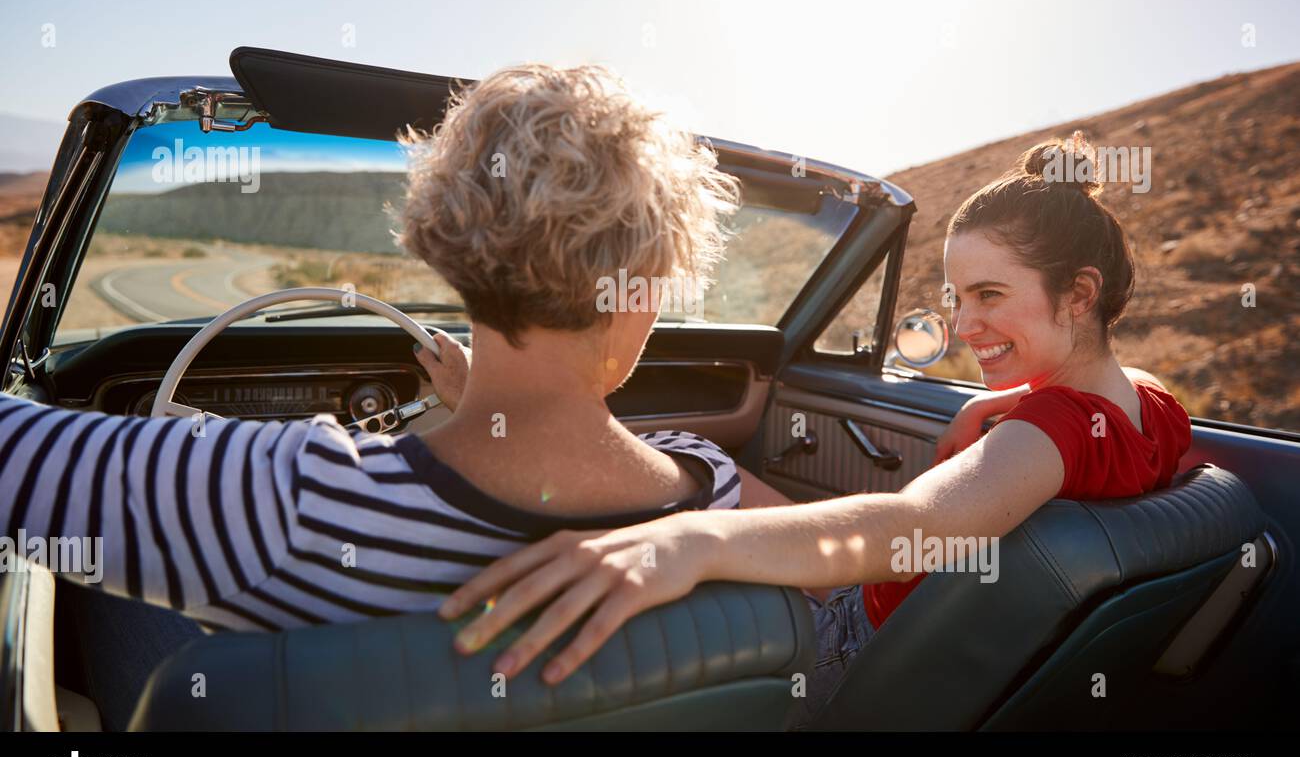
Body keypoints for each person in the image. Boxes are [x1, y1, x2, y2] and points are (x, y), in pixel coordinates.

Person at [0, 63, 745, 722]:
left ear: (451, 253)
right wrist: (699, 537)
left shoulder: (283, 493)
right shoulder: (711, 494)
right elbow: (862, 530)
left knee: (106, 586)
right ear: (642, 295)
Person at [435, 132, 1193, 724]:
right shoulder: (1150, 406)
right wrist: (1001, 402)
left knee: (682, 495)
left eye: (989, 295)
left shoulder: (1053, 430)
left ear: (1078, 294)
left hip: (848, 648)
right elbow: (1103, 403)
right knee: (700, 462)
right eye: (957, 297)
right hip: (901, 623)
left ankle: (494, 414)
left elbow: (914, 526)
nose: (964, 325)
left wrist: (690, 543)